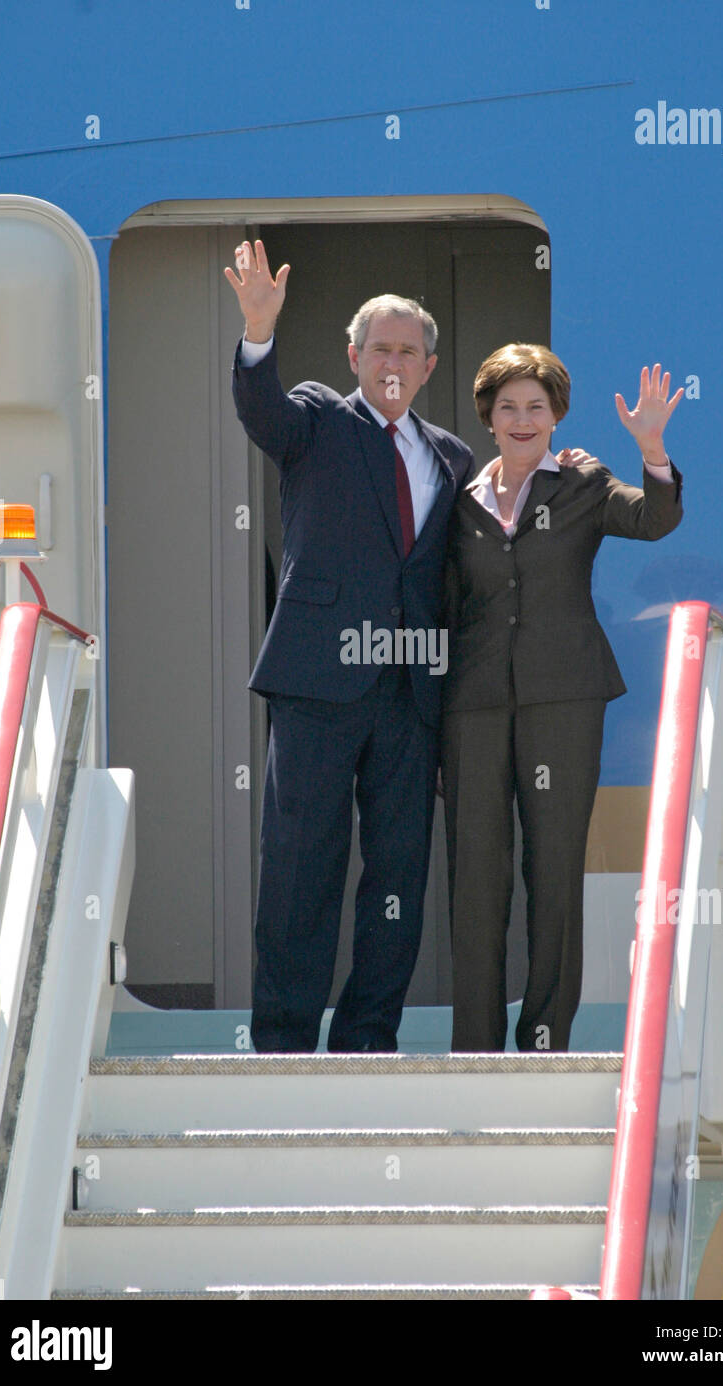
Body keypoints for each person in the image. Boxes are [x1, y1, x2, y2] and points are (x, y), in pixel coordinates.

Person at [225, 240, 473, 1053]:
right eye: (379, 348)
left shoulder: (452, 456)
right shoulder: (317, 417)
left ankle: (369, 1038)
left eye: (408, 350)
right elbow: (262, 412)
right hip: (318, 687)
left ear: (429, 365)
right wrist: (258, 331)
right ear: (353, 356)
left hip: (408, 695)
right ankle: (285, 1041)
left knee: (398, 877)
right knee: (302, 865)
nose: (393, 360)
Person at [440, 345, 683, 1053]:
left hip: (565, 700)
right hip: (474, 705)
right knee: (475, 879)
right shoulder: (460, 497)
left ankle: (544, 1038)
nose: (523, 420)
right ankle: (476, 1049)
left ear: (557, 417)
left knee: (553, 870)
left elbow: (652, 520)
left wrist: (653, 449)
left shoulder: (582, 481)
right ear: (488, 415)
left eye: (536, 408)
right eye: (509, 407)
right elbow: (445, 604)